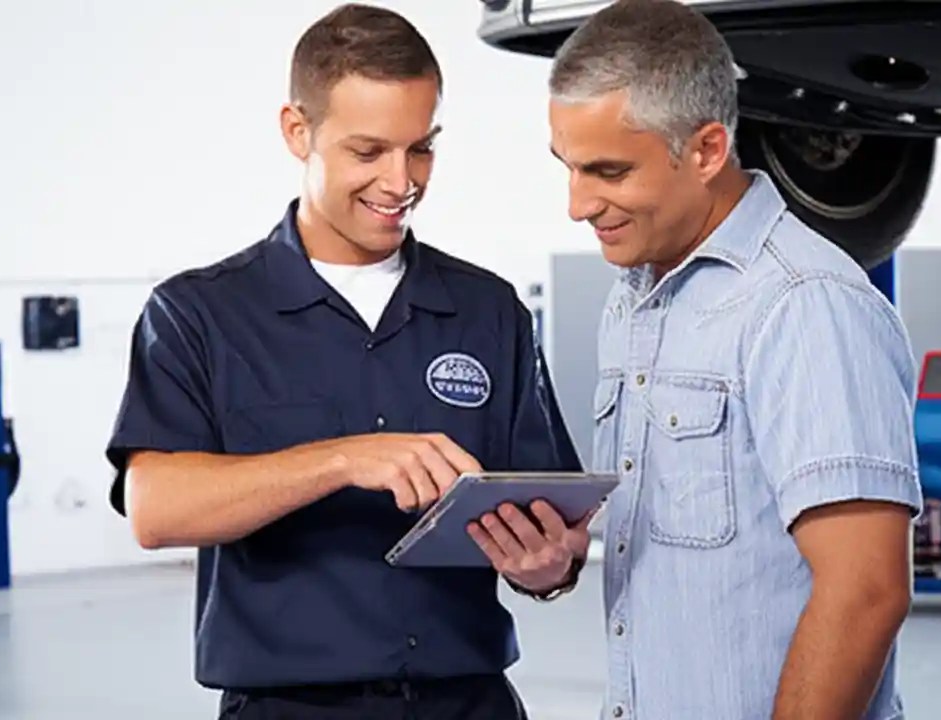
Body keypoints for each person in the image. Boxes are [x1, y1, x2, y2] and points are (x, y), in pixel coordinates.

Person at [103, 4, 589, 719]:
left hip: (471, 703)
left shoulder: (489, 311)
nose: (401, 182)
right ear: (297, 131)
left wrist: (548, 569)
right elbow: (156, 509)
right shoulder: (197, 313)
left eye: (421, 149)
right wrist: (342, 460)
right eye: (368, 152)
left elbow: (553, 521)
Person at [542, 1, 925, 718]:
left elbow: (866, 591)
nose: (578, 203)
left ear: (708, 150)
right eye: (567, 168)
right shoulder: (634, 297)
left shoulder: (804, 304)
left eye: (608, 172)